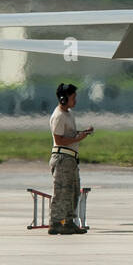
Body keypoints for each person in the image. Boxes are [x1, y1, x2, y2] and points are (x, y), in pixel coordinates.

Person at [48, 82, 93, 235]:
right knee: (62, 192)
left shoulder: (68, 114)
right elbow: (59, 140)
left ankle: (68, 222)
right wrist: (78, 138)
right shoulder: (59, 116)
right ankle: (56, 222)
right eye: (73, 97)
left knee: (73, 192)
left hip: (71, 159)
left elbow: (68, 135)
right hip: (62, 158)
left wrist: (82, 134)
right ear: (63, 99)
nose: (75, 100)